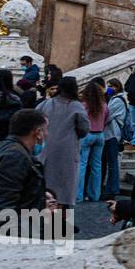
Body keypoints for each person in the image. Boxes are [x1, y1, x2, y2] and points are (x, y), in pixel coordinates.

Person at [0, 109, 49, 227]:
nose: (47, 134)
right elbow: (0, 211)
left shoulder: (6, 148)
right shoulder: (14, 157)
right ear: (38, 132)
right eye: (46, 129)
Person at [37, 77, 89, 210]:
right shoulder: (76, 106)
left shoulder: (46, 104)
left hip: (46, 149)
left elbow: (34, 117)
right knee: (64, 191)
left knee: (46, 187)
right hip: (67, 150)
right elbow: (84, 129)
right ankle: (62, 224)